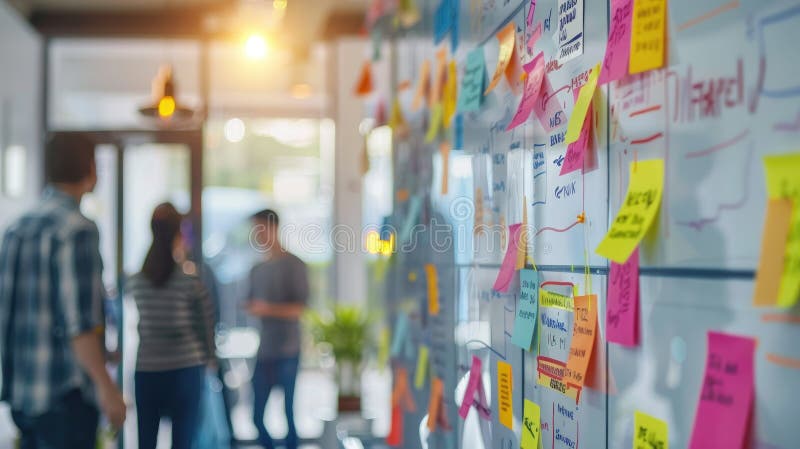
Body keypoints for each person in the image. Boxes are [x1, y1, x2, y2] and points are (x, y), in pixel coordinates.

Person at [0, 133, 126, 448]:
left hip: (23, 397)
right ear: (90, 168)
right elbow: (79, 324)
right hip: (64, 400)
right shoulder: (78, 230)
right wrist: (108, 388)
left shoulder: (17, 229)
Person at [127, 203, 216, 449]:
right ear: (179, 233)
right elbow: (206, 328)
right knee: (183, 443)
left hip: (147, 369)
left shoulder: (136, 281)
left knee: (146, 442)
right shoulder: (191, 280)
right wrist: (211, 359)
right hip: (185, 369)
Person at [245, 209, 309, 449]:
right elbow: (251, 304)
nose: (258, 234)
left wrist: (267, 309)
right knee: (256, 417)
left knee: (288, 415)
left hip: (288, 349)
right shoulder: (256, 269)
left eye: (260, 228)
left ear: (273, 228)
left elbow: (300, 308)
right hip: (265, 350)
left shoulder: (294, 264)